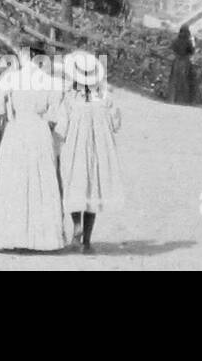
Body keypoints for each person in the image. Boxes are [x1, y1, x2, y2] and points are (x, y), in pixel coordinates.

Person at [0, 48, 68, 252]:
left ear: (24, 56)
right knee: (40, 180)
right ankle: (42, 239)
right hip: (39, 131)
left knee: (14, 181)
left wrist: (10, 108)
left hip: (16, 130)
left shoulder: (10, 78)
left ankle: (11, 237)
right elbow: (55, 115)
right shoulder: (52, 82)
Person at [56, 51, 123, 253]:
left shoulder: (70, 98)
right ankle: (87, 239)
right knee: (93, 189)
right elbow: (116, 123)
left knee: (75, 185)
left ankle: (76, 228)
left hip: (75, 149)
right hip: (98, 151)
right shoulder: (105, 97)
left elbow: (61, 127)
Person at [167, 25, 196, 104]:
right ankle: (182, 100)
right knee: (184, 81)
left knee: (174, 80)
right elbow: (192, 51)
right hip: (185, 62)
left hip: (176, 61)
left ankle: (171, 99)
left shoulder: (176, 40)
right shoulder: (188, 41)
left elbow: (171, 48)